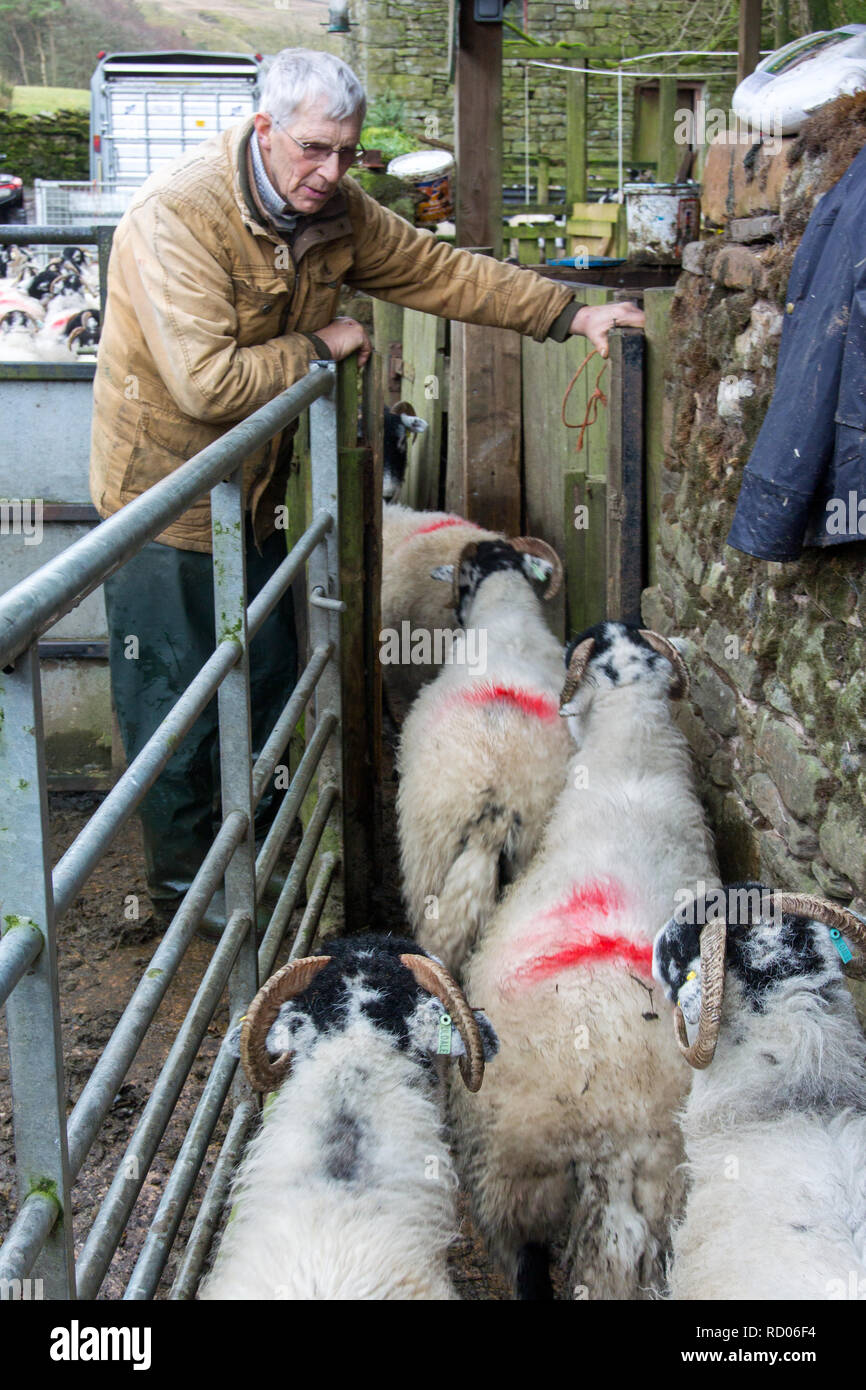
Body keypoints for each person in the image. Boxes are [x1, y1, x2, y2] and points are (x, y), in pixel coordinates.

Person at [90, 47, 644, 929]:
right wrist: (322, 346)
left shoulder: (336, 210)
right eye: (313, 149)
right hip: (170, 496)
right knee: (177, 704)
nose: (332, 172)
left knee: (266, 690)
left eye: (347, 153)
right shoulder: (179, 218)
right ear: (264, 128)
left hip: (261, 494)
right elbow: (202, 382)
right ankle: (184, 900)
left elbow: (441, 270)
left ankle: (261, 867)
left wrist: (569, 313)